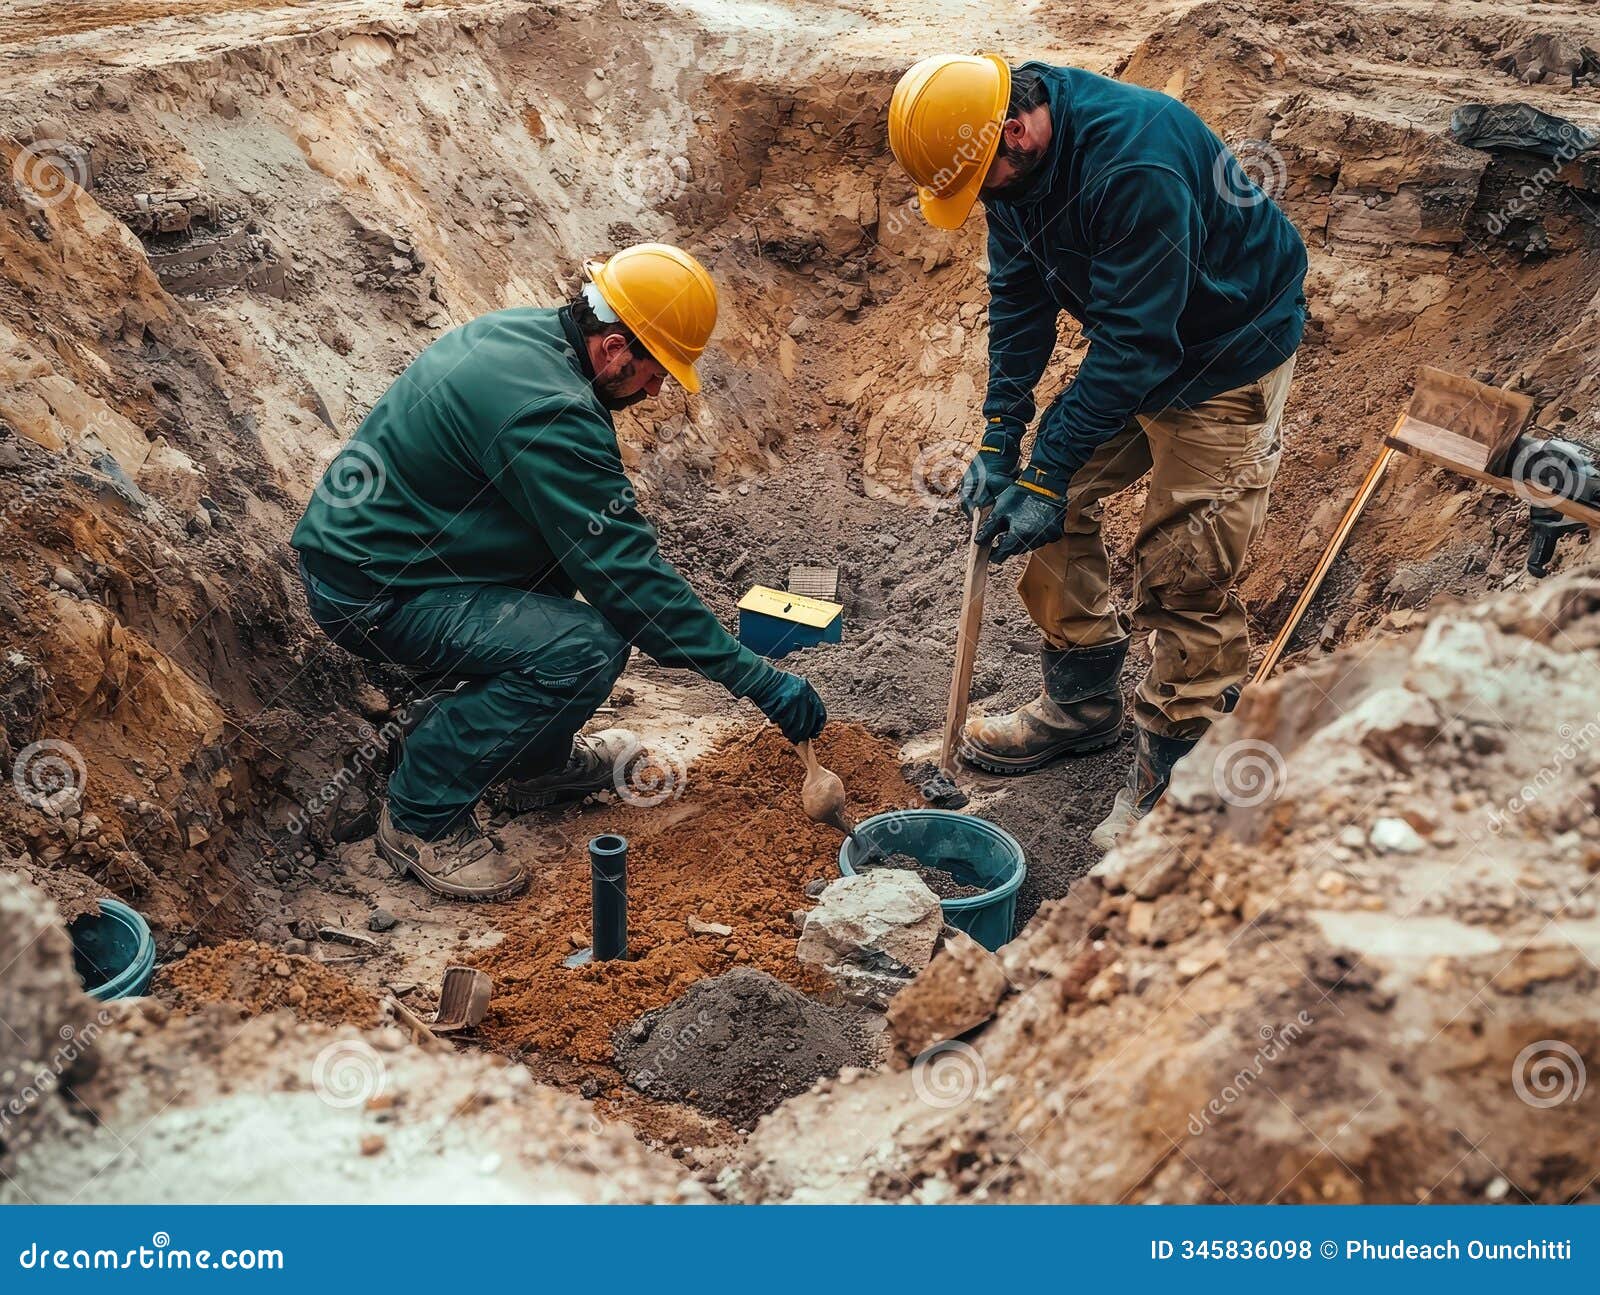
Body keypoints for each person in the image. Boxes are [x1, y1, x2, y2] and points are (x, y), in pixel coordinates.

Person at [292, 243, 825, 899]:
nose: (658, 390)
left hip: (399, 551)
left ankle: (527, 764)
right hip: (372, 590)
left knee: (569, 573)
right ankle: (420, 811)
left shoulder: (528, 336)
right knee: (587, 643)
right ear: (613, 348)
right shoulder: (553, 412)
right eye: (656, 371)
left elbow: (601, 548)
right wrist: (759, 679)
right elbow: (633, 585)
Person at [888, 56, 1308, 849]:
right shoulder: (1005, 165)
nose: (981, 197)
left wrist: (1046, 470)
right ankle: (1082, 704)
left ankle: (1177, 781)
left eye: (984, 180)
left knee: (1184, 559)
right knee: (1056, 503)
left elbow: (1135, 347)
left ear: (1017, 129)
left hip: (1224, 352)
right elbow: (1019, 301)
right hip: (1142, 340)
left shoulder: (1133, 162)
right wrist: (1001, 439)